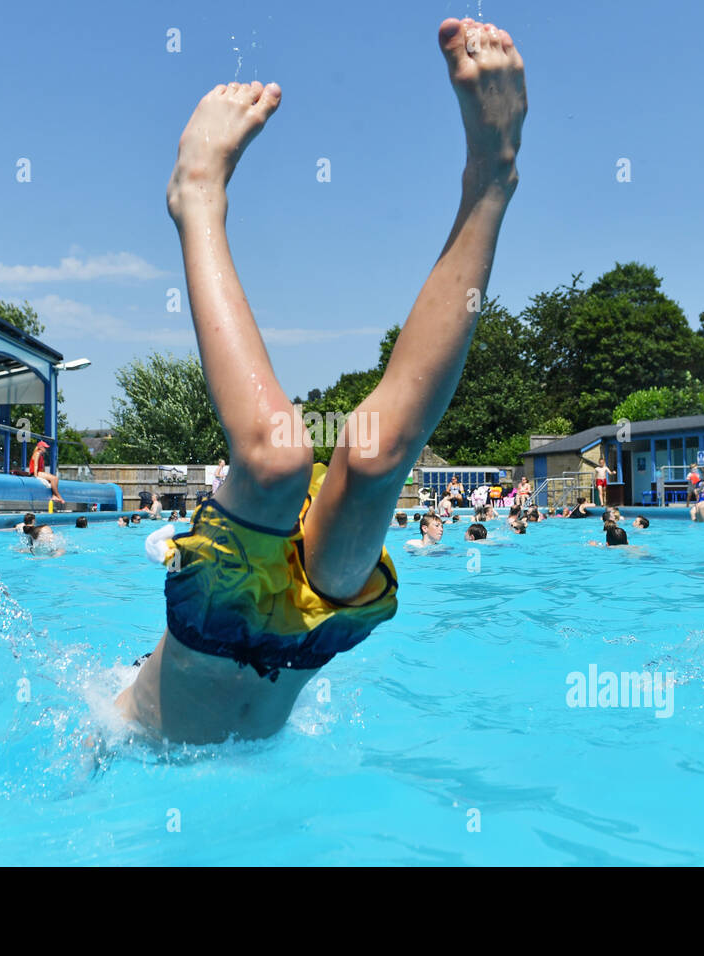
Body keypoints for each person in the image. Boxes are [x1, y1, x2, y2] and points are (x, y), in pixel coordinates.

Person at [115, 18, 526, 744]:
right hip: (305, 643)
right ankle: (492, 176)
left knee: (277, 460)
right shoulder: (104, 713)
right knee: (373, 460)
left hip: (217, 636)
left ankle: (196, 196)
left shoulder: (105, 714)